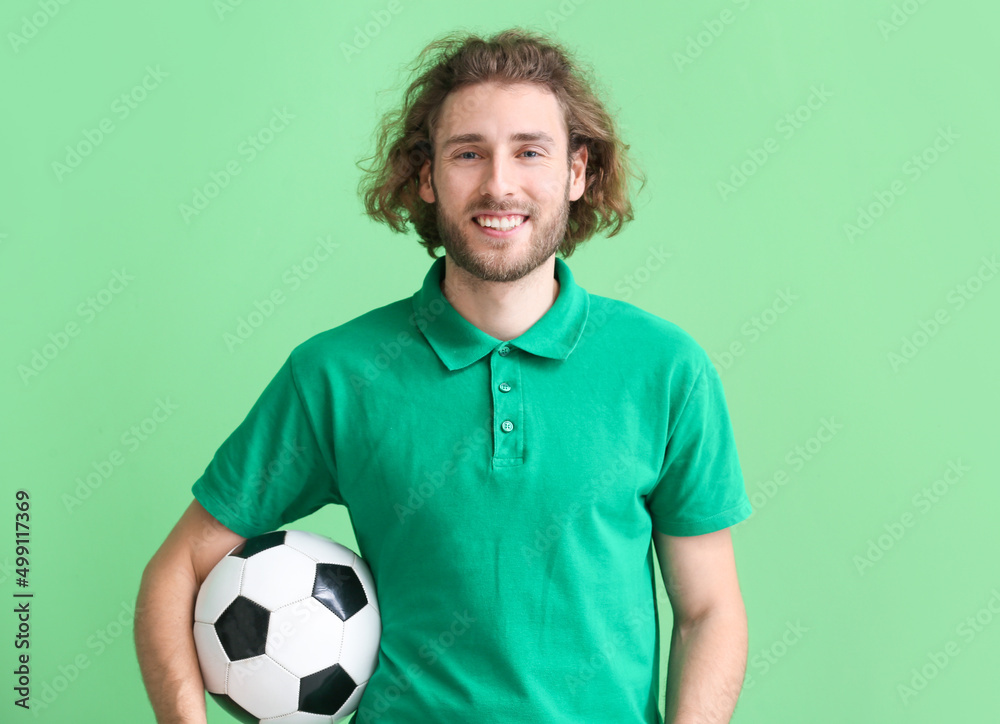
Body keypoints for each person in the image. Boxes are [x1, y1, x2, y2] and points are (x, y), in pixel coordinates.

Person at [135, 27, 753, 724]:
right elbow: (177, 570)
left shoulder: (665, 369)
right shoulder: (338, 373)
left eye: (529, 151)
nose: (499, 184)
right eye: (468, 153)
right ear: (427, 176)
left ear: (577, 172)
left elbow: (708, 610)